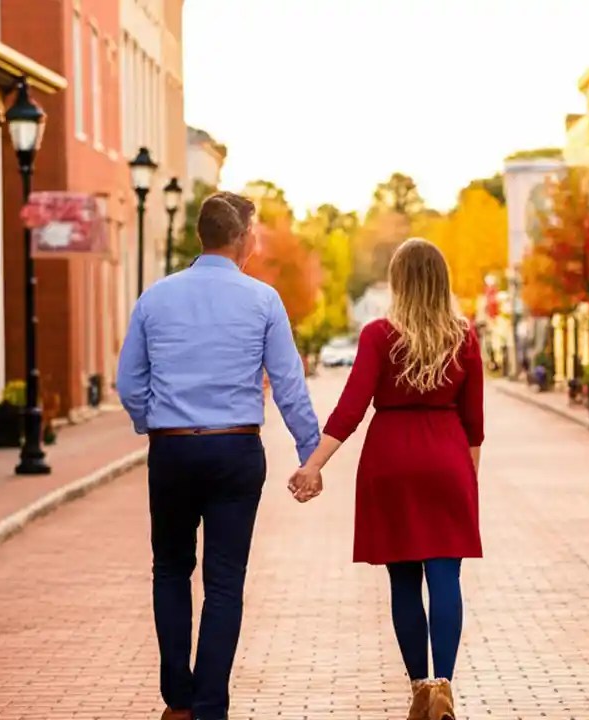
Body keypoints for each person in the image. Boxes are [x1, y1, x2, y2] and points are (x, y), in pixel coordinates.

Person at [117, 191, 322, 720]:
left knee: (170, 570)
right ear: (242, 239)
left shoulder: (155, 298)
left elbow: (129, 382)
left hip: (173, 451)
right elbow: (289, 383)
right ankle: (209, 706)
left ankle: (178, 700)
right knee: (224, 580)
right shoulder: (262, 300)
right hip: (234, 448)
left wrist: (153, 424)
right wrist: (309, 454)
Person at [289, 238, 483, 720]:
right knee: (445, 576)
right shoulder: (464, 336)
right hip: (447, 458)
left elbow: (351, 408)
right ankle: (444, 687)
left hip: (390, 459)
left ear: (397, 283)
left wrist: (314, 464)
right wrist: (468, 481)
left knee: (403, 581)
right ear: (443, 282)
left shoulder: (379, 334)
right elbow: (474, 423)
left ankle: (420, 686)